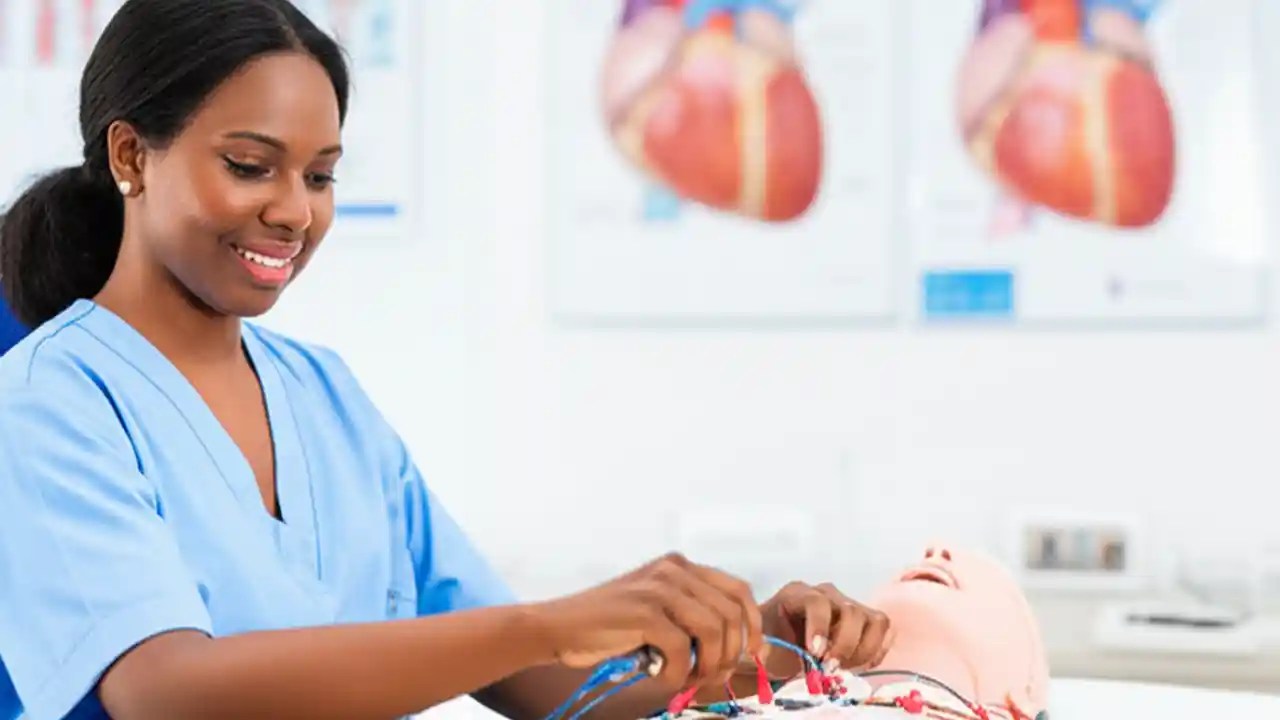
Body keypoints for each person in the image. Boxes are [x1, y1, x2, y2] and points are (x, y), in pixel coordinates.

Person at [0, 2, 891, 719]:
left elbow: (551, 685)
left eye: (319, 177)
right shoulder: (46, 401)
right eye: (249, 165)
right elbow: (165, 693)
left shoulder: (324, 397)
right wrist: (546, 624)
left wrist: (758, 642)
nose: (293, 212)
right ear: (131, 156)